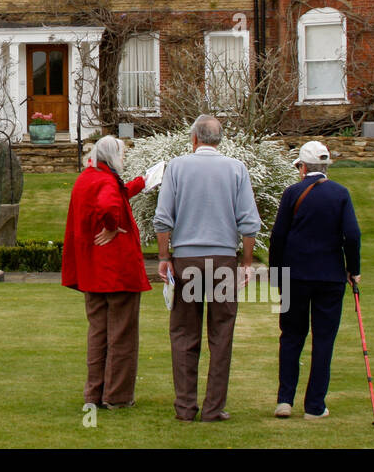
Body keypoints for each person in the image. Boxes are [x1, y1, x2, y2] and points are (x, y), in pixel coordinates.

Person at [152, 114, 260, 421]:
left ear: (194, 139)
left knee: (184, 334)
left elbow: (163, 219)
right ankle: (213, 408)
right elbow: (249, 224)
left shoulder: (177, 167)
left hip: (186, 259)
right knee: (222, 333)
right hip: (223, 259)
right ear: (219, 140)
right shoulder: (236, 168)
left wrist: (163, 257)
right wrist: (247, 263)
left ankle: (185, 407)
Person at [62, 136, 162, 409]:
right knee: (122, 335)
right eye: (122, 154)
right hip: (116, 271)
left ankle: (94, 393)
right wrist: (112, 226)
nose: (124, 158)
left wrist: (142, 182)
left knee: (98, 333)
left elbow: (113, 196)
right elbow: (109, 204)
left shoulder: (88, 177)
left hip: (93, 272)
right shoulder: (106, 181)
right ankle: (117, 396)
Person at [268, 141, 361, 420]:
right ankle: (314, 406)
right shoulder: (341, 193)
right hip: (330, 276)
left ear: (303, 167)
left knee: (292, 336)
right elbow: (352, 235)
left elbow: (278, 237)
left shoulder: (292, 193)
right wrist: (352, 269)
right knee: (323, 339)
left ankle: (285, 400)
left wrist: (276, 275)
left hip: (295, 275)